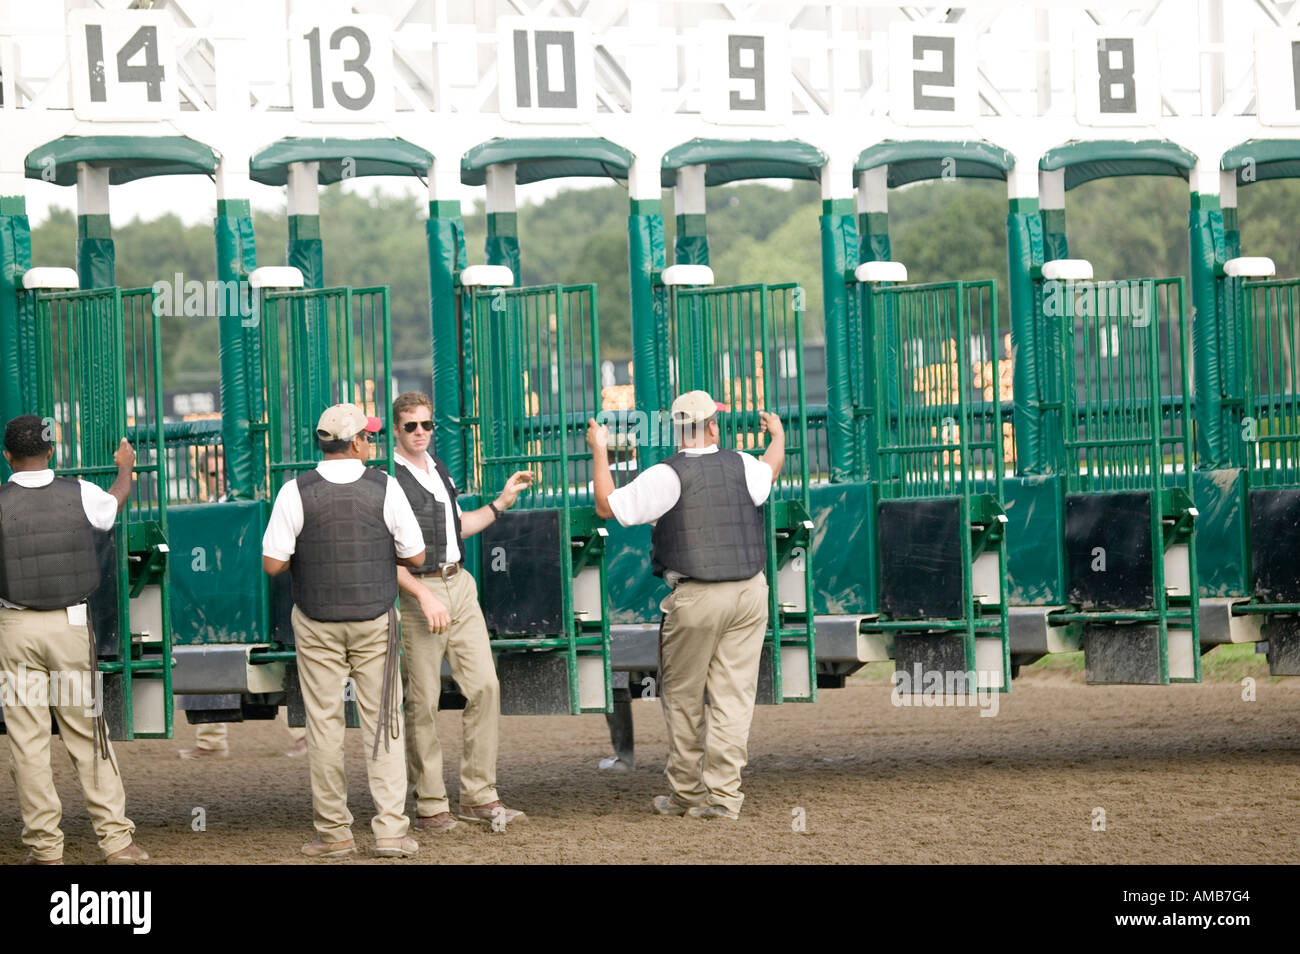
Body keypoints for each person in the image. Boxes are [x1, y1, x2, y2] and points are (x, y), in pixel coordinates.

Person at [586, 391, 783, 821]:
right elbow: (771, 467)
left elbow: (606, 506)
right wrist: (779, 437)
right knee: (733, 698)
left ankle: (687, 796)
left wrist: (600, 450)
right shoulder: (745, 464)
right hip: (750, 592)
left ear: (678, 430)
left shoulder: (665, 475)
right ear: (714, 426)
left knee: (683, 697)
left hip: (695, 597)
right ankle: (725, 799)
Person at [261, 403, 426, 858]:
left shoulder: (295, 490)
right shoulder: (385, 487)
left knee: (324, 728)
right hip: (375, 619)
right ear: (355, 442)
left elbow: (273, 564)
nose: (371, 443)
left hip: (316, 623)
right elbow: (415, 558)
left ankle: (335, 834)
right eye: (368, 437)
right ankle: (391, 833)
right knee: (384, 725)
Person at [0, 414, 149, 863]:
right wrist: (125, 467)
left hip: (14, 629)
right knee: (88, 733)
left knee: (27, 741)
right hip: (69, 627)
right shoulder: (80, 492)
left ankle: (45, 848)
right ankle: (117, 842)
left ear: (7, 456)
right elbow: (115, 504)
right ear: (51, 451)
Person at [389, 391, 533, 831]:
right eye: (411, 425)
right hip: (421, 593)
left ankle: (478, 796)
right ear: (396, 429)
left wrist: (500, 503)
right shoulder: (388, 480)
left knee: (486, 686)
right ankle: (431, 804)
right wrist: (423, 595)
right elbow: (383, 553)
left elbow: (458, 526)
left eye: (426, 425)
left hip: (460, 585)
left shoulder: (439, 470)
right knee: (423, 702)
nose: (420, 432)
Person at [179, 452, 308, 760]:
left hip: (260, 595)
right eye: (212, 473)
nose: (220, 478)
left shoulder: (260, 504)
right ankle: (210, 740)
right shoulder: (207, 509)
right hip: (222, 599)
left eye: (224, 472)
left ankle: (303, 734)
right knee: (207, 656)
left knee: (280, 658)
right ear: (202, 476)